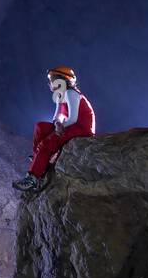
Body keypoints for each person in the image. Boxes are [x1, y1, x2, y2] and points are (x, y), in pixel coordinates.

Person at [13, 65, 95, 193]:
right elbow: (58, 116)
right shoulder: (60, 96)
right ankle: (38, 157)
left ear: (62, 80)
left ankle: (32, 178)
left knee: (48, 142)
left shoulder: (71, 93)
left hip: (82, 129)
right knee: (41, 127)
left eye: (53, 78)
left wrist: (58, 128)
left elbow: (73, 119)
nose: (51, 82)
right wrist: (57, 124)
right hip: (71, 126)